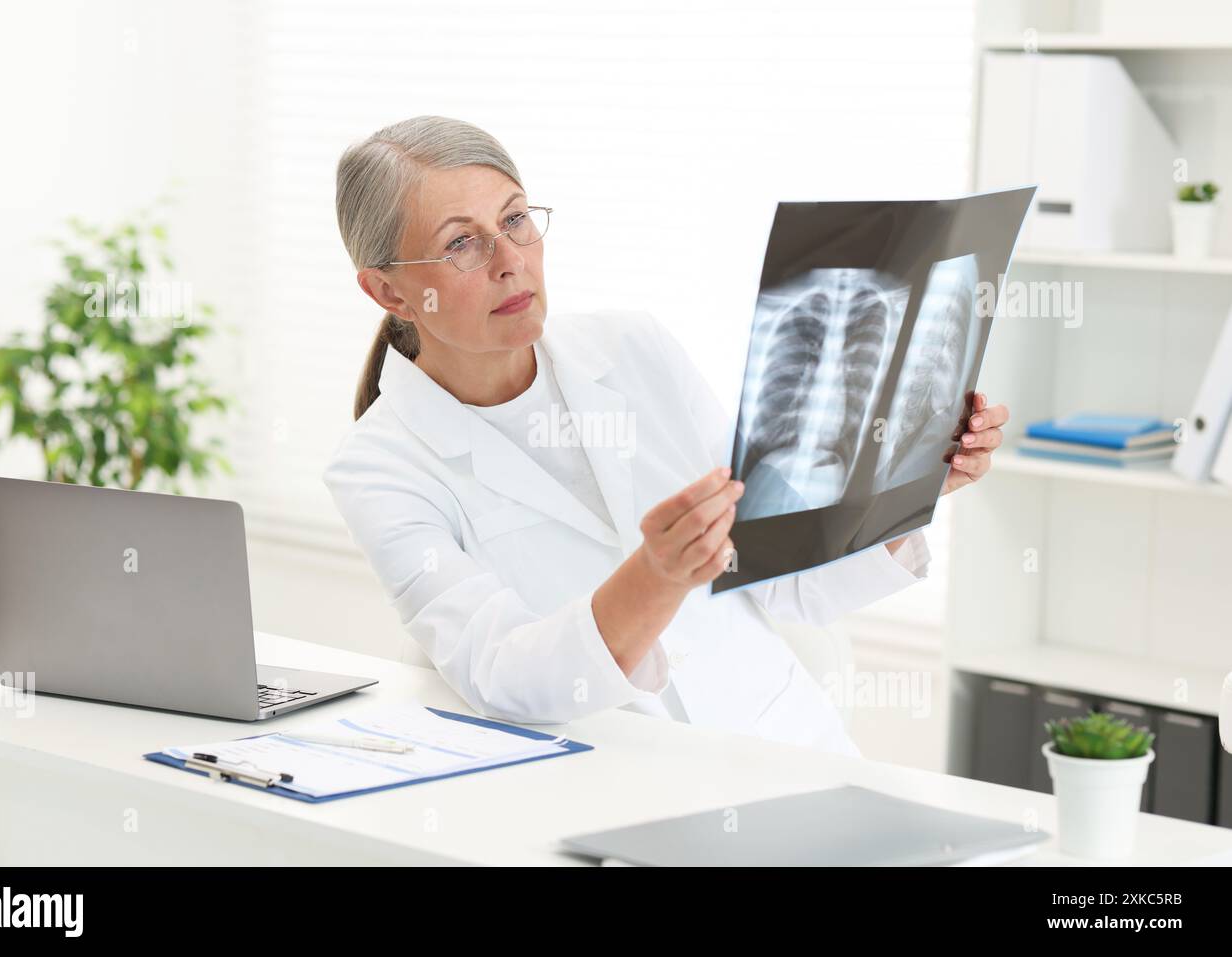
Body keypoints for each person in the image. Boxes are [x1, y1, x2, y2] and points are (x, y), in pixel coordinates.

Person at [322, 115, 1007, 757]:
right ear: (388, 292)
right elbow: (505, 675)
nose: (510, 260)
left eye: (515, 219)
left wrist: (913, 478)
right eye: (460, 242)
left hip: (789, 752)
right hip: (609, 788)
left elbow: (778, 573)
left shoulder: (633, 346)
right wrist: (656, 575)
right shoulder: (380, 468)